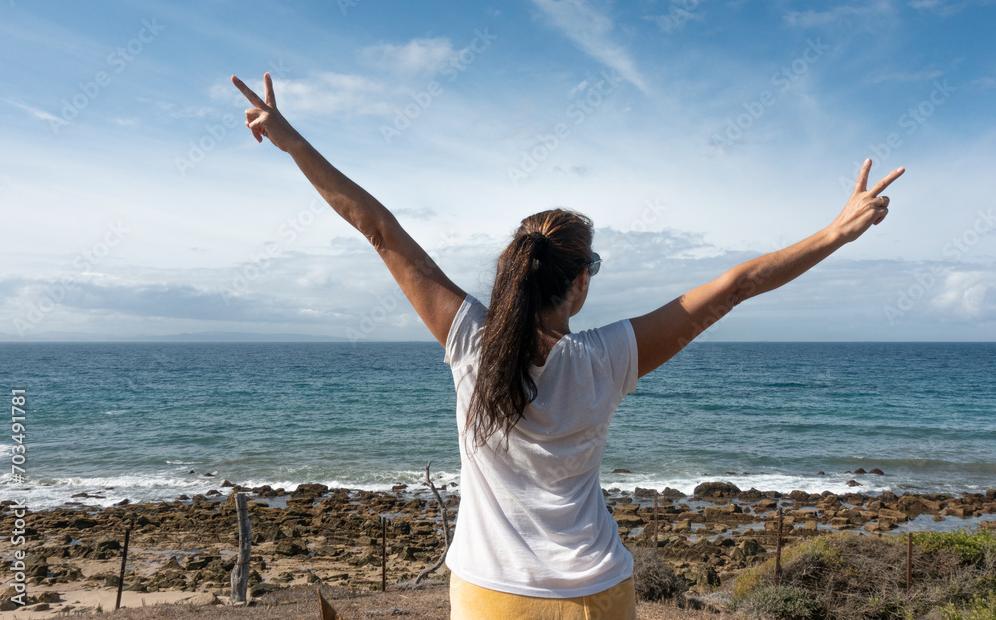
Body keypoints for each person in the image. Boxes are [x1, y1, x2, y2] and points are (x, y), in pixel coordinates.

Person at [232, 73, 903, 619]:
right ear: (579, 285)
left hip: (492, 596)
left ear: (513, 274)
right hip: (599, 594)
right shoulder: (607, 358)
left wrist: (291, 141)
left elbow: (378, 229)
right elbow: (731, 288)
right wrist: (834, 234)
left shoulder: (468, 339)